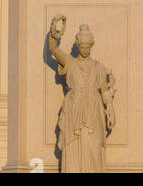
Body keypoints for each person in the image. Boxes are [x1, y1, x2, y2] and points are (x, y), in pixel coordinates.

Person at [48, 15, 114, 173]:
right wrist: (54, 35)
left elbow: (104, 91)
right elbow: (53, 50)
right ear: (78, 46)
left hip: (94, 111)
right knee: (73, 146)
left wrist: (111, 111)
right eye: (82, 47)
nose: (85, 50)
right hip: (74, 109)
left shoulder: (99, 66)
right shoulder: (70, 63)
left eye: (87, 47)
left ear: (91, 47)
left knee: (94, 148)